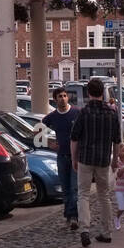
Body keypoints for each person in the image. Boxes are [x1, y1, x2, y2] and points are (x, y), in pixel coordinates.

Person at [70, 77, 121, 247]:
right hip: (103, 159)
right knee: (104, 195)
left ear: (88, 93)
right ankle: (107, 232)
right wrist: (115, 160)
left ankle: (84, 229)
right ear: (103, 93)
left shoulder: (84, 112)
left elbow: (74, 138)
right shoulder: (112, 113)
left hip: (85, 158)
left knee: (83, 194)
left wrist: (74, 158)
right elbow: (117, 140)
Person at [42, 88, 81, 232]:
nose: (63, 98)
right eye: (60, 96)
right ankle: (68, 216)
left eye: (65, 96)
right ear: (55, 99)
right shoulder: (52, 117)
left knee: (74, 188)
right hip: (62, 156)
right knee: (65, 188)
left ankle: (74, 217)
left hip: (76, 156)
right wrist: (49, 142)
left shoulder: (76, 113)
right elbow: (38, 130)